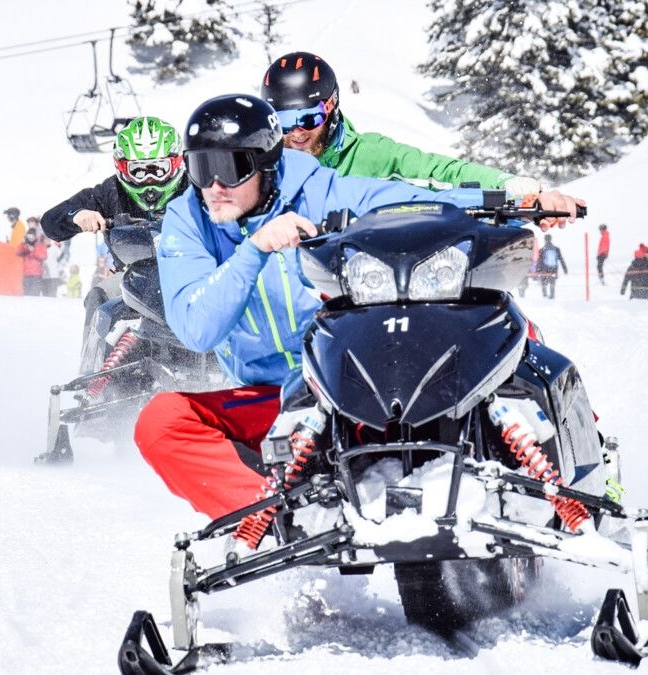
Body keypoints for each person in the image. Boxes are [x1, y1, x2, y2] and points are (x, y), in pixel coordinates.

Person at [133, 94, 583, 521]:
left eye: (231, 169)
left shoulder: (320, 192)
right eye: (199, 168)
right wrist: (254, 249)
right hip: (277, 401)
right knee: (161, 423)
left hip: (357, 388)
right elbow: (196, 328)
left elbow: (407, 196)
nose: (213, 186)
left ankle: (546, 486)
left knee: (495, 347)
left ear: (266, 163)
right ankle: (280, 521)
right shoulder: (187, 220)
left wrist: (523, 203)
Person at [260, 51, 544, 200]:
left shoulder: (368, 154)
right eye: (284, 121)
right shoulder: (268, 166)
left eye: (309, 118)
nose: (296, 132)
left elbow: (438, 173)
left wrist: (505, 185)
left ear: (330, 106)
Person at [41, 116, 189, 324]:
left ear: (175, 163)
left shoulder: (197, 186)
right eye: (138, 171)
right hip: (131, 278)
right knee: (98, 298)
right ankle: (93, 356)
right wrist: (77, 215)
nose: (148, 180)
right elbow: (50, 222)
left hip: (195, 271)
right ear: (122, 168)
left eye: (158, 169)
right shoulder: (110, 192)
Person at [15, 227, 47, 296]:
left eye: (32, 236)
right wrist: (22, 244)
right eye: (29, 236)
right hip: (26, 275)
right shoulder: (25, 245)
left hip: (36, 276)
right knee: (26, 296)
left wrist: (33, 251)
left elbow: (43, 256)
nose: (30, 238)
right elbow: (17, 252)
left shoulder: (40, 245)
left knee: (34, 296)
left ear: (35, 236)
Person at [536, 234, 568, 299]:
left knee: (544, 285)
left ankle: (545, 297)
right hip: (553, 270)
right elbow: (561, 259)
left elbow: (539, 261)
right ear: (551, 239)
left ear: (545, 240)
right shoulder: (556, 249)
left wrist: (538, 270)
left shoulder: (542, 250)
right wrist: (565, 269)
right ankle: (552, 297)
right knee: (552, 285)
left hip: (544, 271)